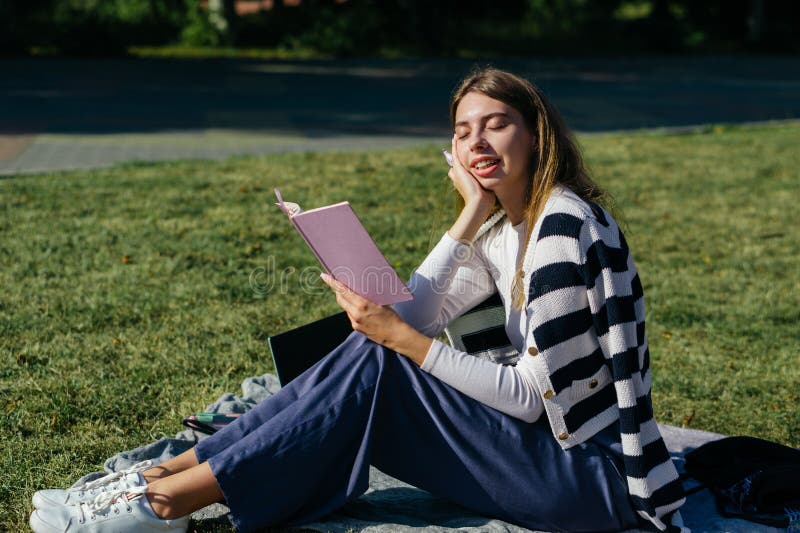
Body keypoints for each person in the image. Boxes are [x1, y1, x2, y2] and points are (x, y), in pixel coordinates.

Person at [29, 68, 686, 533]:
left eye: (497, 124)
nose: (478, 141)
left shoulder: (562, 225)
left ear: (536, 134)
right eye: (463, 131)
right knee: (373, 350)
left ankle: (164, 501)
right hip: (547, 456)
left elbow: (524, 395)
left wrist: (393, 335)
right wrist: (469, 216)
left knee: (380, 357)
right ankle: (157, 480)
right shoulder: (504, 226)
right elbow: (417, 314)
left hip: (593, 478)